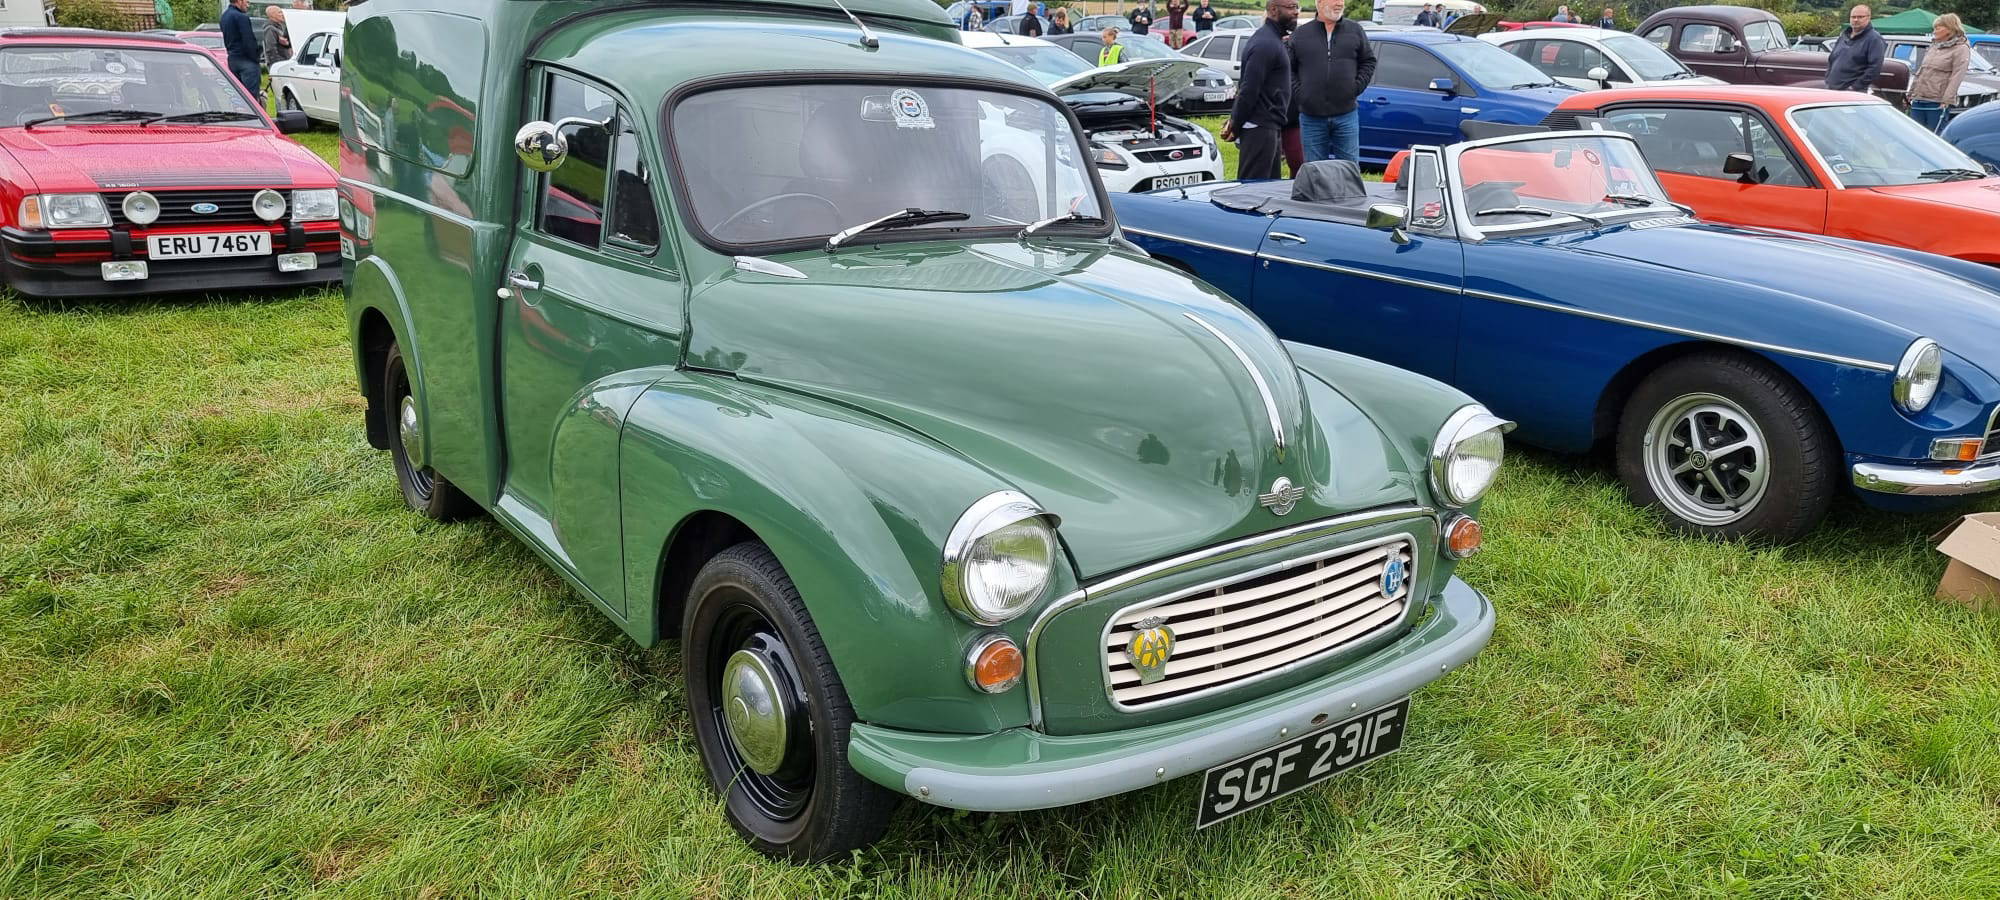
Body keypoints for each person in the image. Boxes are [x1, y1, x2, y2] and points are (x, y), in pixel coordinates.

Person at [1223, 0, 1299, 180]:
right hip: (1259, 128)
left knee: (1268, 192)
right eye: (1291, 7)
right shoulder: (1265, 44)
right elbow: (1249, 89)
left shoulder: (1272, 39)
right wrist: (1236, 123)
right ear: (1273, 10)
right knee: (1251, 193)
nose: (1296, 12)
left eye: (1297, 7)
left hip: (1269, 127)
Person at [1290, 0, 1371, 164]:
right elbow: (1288, 68)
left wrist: (1354, 88)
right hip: (1311, 117)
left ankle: (1347, 192)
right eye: (1335, 0)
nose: (1340, 4)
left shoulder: (1355, 30)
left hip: (1346, 114)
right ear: (1319, 3)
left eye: (1342, 0)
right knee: (1314, 170)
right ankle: (1319, 192)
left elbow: (1368, 61)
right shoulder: (1301, 34)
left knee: (1349, 168)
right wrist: (1302, 94)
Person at [1909, 13, 1969, 131]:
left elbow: (1957, 76)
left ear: (1950, 29)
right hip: (1919, 98)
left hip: (1937, 101)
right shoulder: (1934, 46)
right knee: (1914, 133)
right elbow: (1922, 70)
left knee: (1935, 135)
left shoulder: (1961, 49)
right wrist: (1911, 92)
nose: (1934, 31)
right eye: (1934, 28)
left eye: (1938, 28)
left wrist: (1947, 100)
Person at [1826, 5, 1886, 92]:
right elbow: (1832, 59)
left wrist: (1855, 87)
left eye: (1860, 17)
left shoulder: (1874, 39)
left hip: (1853, 93)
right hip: (1832, 89)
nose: (1856, 20)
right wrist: (1828, 79)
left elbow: (1874, 68)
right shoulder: (1843, 36)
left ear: (1868, 18)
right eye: (1853, 17)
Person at [219, 0, 262, 98]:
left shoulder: (224, 16)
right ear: (239, 1)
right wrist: (256, 58)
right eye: (246, 2)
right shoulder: (241, 17)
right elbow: (248, 40)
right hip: (246, 60)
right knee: (251, 98)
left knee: (237, 96)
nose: (248, 5)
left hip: (232, 59)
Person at [261, 5, 291, 70]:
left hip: (284, 62)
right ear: (272, 15)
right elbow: (271, 49)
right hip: (278, 64)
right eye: (280, 12)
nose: (282, 14)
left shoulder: (281, 26)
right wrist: (277, 64)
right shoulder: (270, 29)